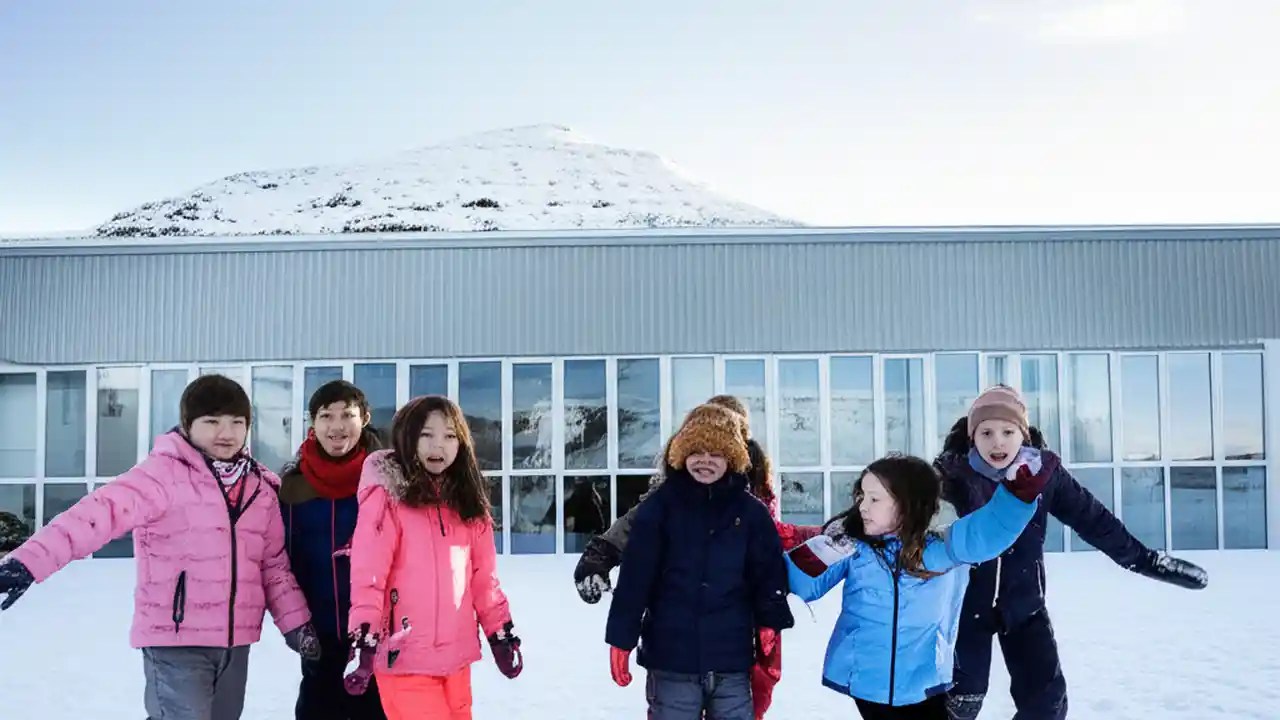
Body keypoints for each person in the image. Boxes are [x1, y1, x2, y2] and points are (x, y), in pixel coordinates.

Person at [0, 374, 318, 720]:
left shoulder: (260, 489)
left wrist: (297, 625)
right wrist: (29, 561)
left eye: (237, 422)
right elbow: (96, 515)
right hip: (175, 637)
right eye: (212, 422)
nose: (226, 432)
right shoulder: (161, 476)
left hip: (235, 642)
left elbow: (272, 565)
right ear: (188, 424)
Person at [936, 385, 1209, 720]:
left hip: (1024, 604)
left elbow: (1093, 519)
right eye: (987, 432)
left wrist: (1144, 560)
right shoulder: (950, 477)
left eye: (1008, 432)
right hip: (963, 607)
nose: (998, 442)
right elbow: (911, 523)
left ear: (1023, 434)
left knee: (1046, 704)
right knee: (960, 704)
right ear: (972, 436)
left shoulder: (1043, 475)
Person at [578, 394, 817, 718]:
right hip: (672, 649)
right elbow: (636, 570)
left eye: (717, 449)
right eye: (698, 448)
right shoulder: (664, 502)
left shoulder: (752, 497)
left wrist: (770, 619)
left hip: (732, 644)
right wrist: (620, 630)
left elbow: (767, 562)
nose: (706, 458)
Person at [786, 453, 1046, 719]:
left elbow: (982, 533)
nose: (862, 506)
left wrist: (1016, 500)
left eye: (874, 499)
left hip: (922, 677)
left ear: (908, 505)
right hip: (867, 677)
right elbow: (802, 583)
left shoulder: (937, 549)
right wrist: (822, 549)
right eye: (861, 496)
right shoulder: (854, 548)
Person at [347, 395, 523, 720]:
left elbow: (484, 579)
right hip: (404, 657)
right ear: (407, 437)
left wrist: (500, 634)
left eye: (449, 435)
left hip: (455, 660)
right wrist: (365, 637)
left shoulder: (467, 503)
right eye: (426, 435)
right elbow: (369, 574)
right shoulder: (388, 497)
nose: (437, 445)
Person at [280, 380, 387, 720]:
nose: (337, 426)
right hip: (318, 632)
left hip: (377, 635)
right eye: (326, 416)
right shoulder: (291, 485)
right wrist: (297, 621)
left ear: (365, 418)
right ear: (313, 422)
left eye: (347, 415)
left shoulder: (389, 480)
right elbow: (277, 560)